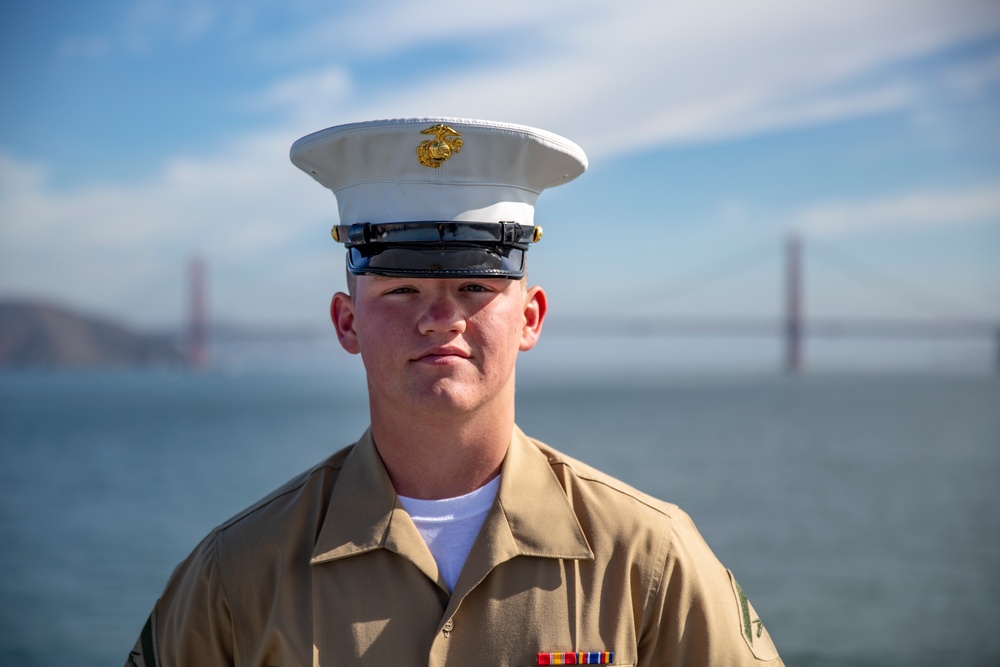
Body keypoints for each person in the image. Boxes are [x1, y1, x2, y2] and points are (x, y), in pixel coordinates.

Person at [126, 117, 783, 666]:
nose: (441, 317)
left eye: (475, 288)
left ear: (530, 318)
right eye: (402, 289)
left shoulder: (649, 561)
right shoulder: (235, 577)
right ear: (346, 322)